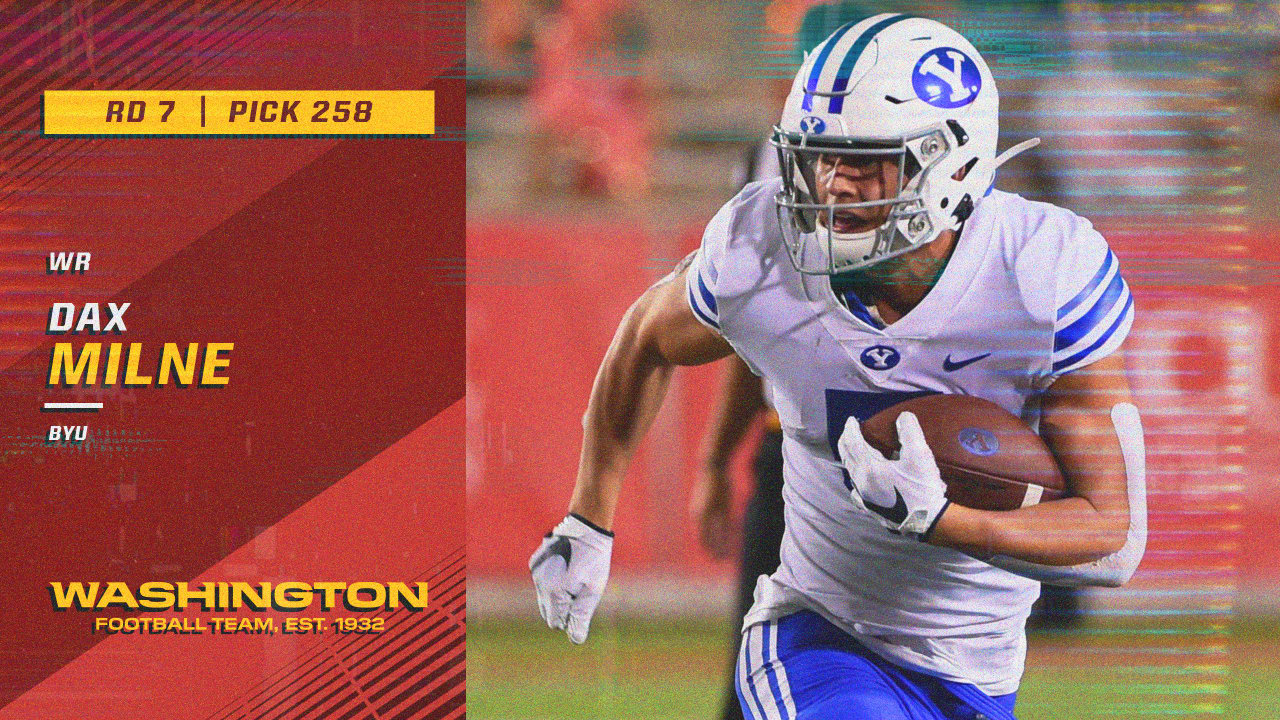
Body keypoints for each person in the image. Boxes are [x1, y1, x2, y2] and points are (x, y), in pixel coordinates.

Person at [530, 15, 1148, 720]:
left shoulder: (1041, 273)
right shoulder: (762, 246)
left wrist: (948, 522)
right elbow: (645, 334)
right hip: (817, 633)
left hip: (977, 671)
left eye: (866, 161)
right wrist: (588, 517)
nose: (835, 186)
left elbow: (1112, 538)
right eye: (821, 158)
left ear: (955, 163)